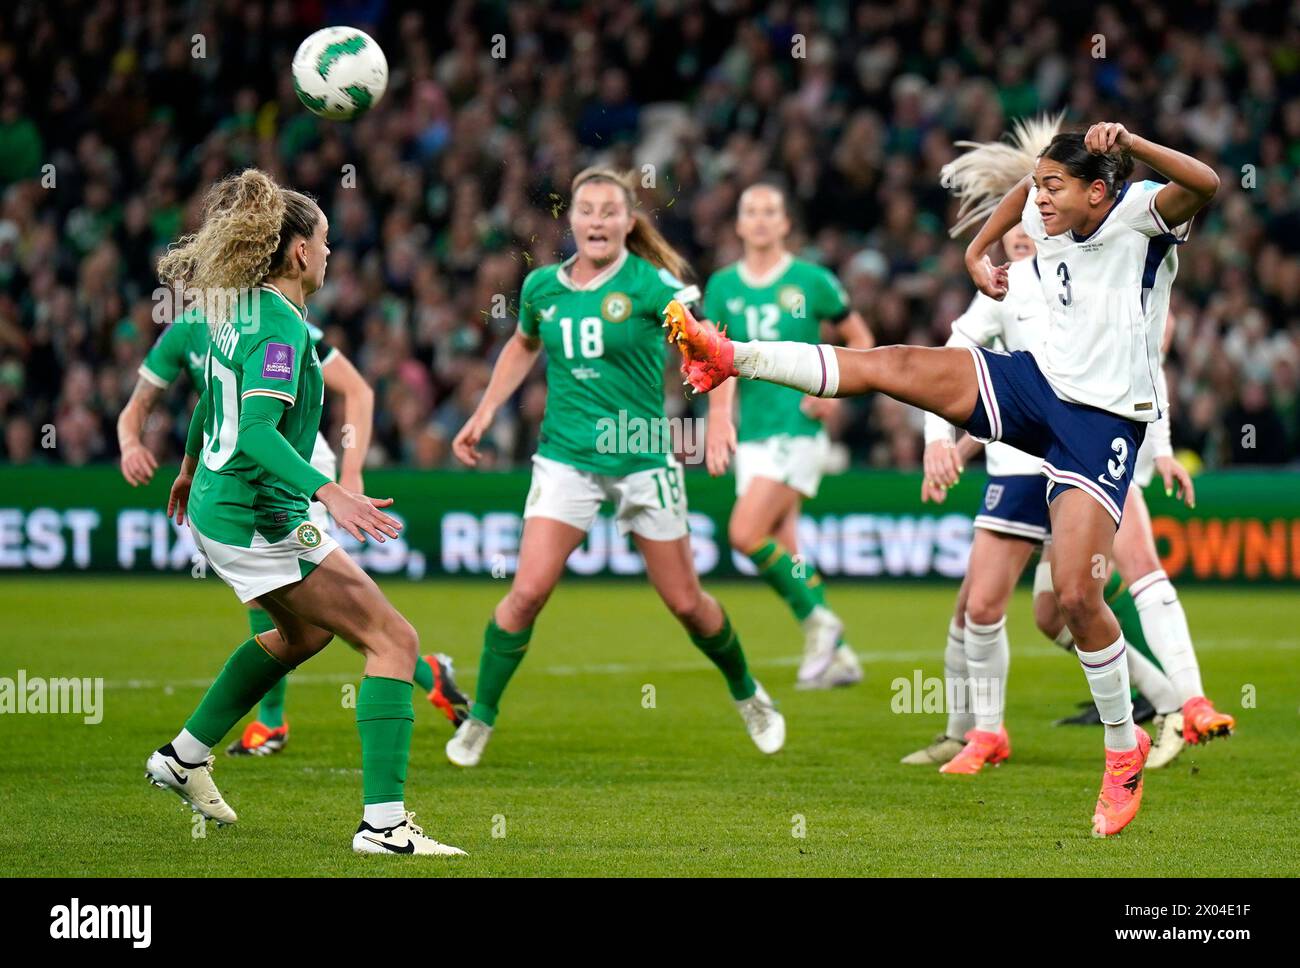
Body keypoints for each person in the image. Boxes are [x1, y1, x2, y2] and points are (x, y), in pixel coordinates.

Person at [668, 122, 1222, 837]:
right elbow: (1026, 186)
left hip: (1104, 423)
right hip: (1034, 388)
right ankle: (730, 355)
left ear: (1097, 189)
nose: (1040, 201)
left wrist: (1135, 143)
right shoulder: (1046, 208)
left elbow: (1205, 184)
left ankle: (1125, 745)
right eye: (1040, 187)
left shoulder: (1139, 212)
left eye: (1056, 186)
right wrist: (977, 245)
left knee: (1078, 596)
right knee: (897, 366)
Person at [144, 168, 464, 856]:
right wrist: (331, 489)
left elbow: (209, 394)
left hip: (230, 505)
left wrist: (191, 463)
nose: (329, 254)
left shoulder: (243, 310)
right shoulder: (282, 331)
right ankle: (384, 826)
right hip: (259, 511)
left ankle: (183, 756)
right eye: (324, 243)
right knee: (394, 640)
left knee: (303, 636)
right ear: (298, 253)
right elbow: (257, 431)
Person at [447, 166, 784, 768]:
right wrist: (485, 411)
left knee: (686, 603)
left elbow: (712, 350)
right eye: (587, 210)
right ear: (571, 220)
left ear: (629, 223)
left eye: (610, 211)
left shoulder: (655, 288)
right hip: (566, 459)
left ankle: (747, 691)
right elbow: (523, 345)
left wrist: (722, 419)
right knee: (525, 595)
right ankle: (481, 717)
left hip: (643, 457)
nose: (598, 220)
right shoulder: (541, 289)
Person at [119, 307, 469, 755]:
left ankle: (267, 726)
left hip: (294, 467)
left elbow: (357, 391)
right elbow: (148, 408)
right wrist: (134, 444)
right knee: (303, 603)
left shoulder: (277, 320)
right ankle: (421, 673)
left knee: (318, 598)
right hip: (236, 472)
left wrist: (352, 474)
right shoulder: (189, 331)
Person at [702, 183, 874, 689]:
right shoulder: (720, 287)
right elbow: (713, 360)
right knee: (784, 546)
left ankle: (821, 625)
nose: (759, 219)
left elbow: (860, 339)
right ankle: (839, 656)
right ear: (737, 224)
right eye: (750, 211)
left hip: (796, 428)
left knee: (743, 534)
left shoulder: (811, 280)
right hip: (753, 431)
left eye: (769, 211)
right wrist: (720, 419)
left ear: (784, 224)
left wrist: (831, 393)